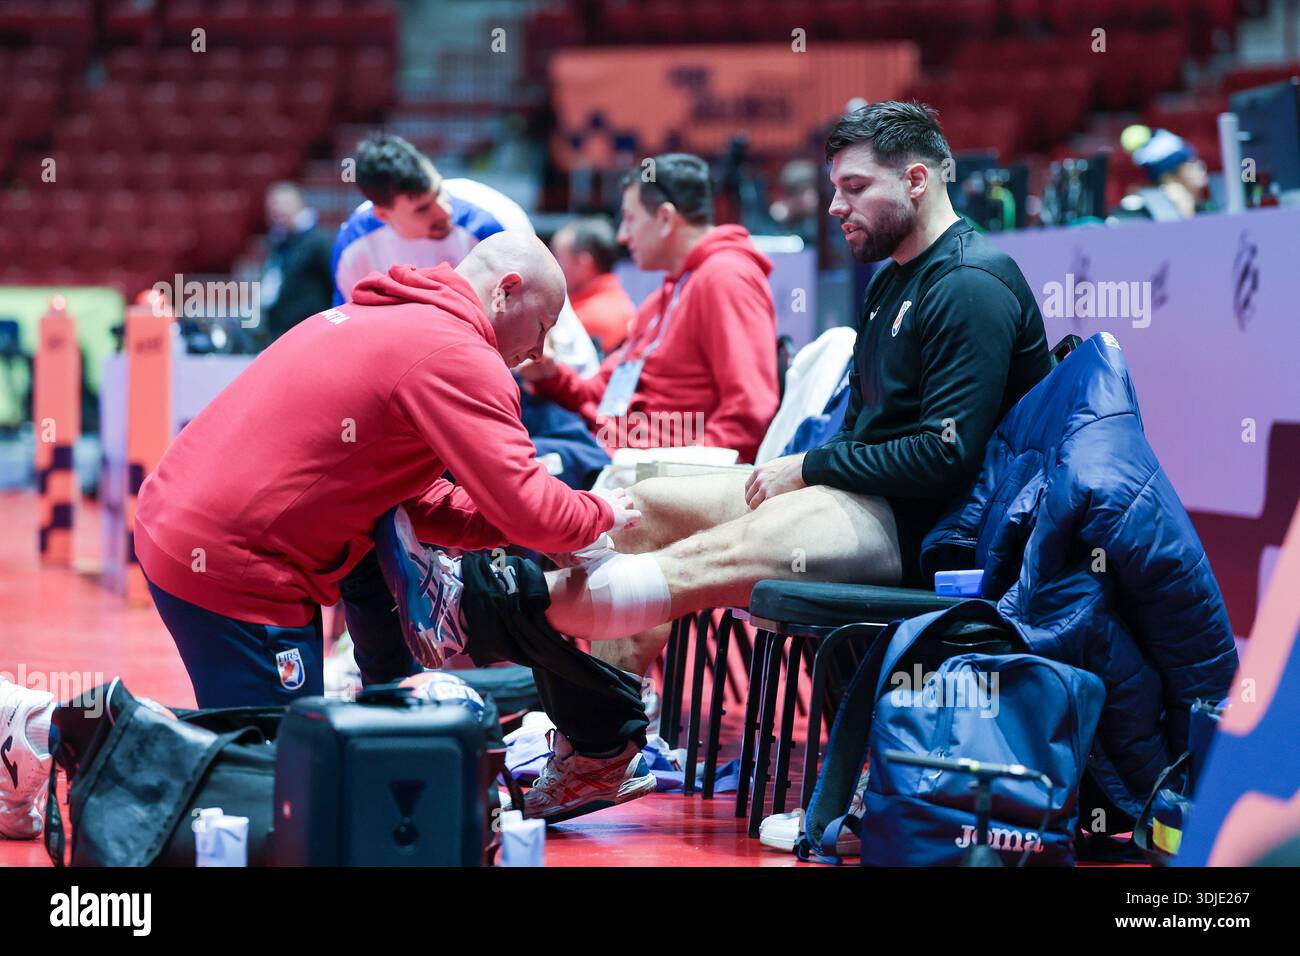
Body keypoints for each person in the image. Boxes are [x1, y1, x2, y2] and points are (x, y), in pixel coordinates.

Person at [383, 102, 1054, 757]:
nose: (834, 207)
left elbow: (946, 457)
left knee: (701, 562)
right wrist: (814, 469)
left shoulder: (971, 284)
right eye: (834, 188)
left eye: (854, 188)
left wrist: (810, 468)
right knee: (635, 512)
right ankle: (602, 751)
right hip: (860, 497)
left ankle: (480, 615)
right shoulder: (889, 284)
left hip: (926, 531)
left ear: (918, 180)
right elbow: (863, 432)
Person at [519, 153, 780, 463]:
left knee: (504, 464)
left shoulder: (726, 279)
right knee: (503, 410)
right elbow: (603, 393)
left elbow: (749, 413)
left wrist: (677, 476)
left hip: (636, 469)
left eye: (629, 219)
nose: (622, 236)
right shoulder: (666, 296)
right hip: (606, 447)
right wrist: (550, 375)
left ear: (666, 219)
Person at [332, 133, 598, 376]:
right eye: (423, 209)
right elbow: (350, 336)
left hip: (532, 376)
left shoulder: (491, 219)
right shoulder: (354, 245)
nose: (443, 211)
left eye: (439, 192)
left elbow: (548, 329)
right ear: (383, 215)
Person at [258, 182, 334, 346]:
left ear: (299, 205)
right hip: (280, 331)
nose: (276, 210)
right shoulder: (279, 242)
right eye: (272, 205)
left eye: (283, 204)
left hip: (309, 334)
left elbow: (334, 283)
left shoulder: (318, 242)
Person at [549, 216, 635, 354]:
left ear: (584, 264)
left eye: (557, 256)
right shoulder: (614, 303)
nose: (550, 265)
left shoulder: (586, 318)